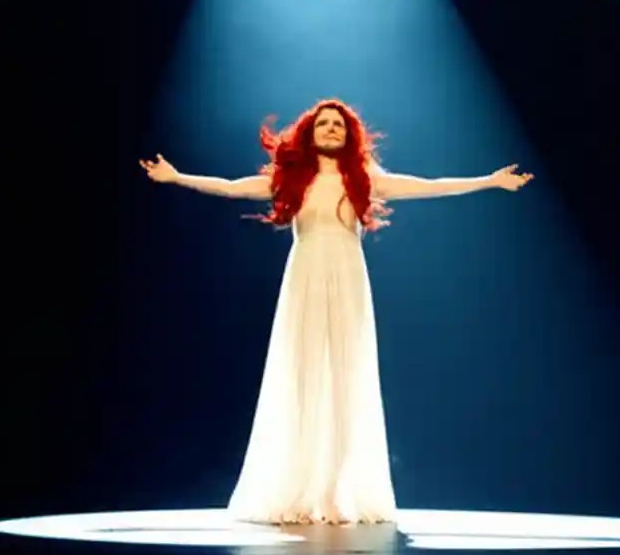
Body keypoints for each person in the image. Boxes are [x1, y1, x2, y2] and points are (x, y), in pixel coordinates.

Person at [139, 98, 533, 525]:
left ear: (349, 135)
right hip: (305, 277)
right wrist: (176, 177)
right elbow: (232, 187)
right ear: (310, 132)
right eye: (324, 123)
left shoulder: (363, 178)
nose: (331, 129)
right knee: (303, 378)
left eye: (338, 125)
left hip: (347, 279)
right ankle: (297, 489)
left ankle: (332, 493)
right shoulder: (291, 178)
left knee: (345, 380)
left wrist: (489, 181)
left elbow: (430, 184)